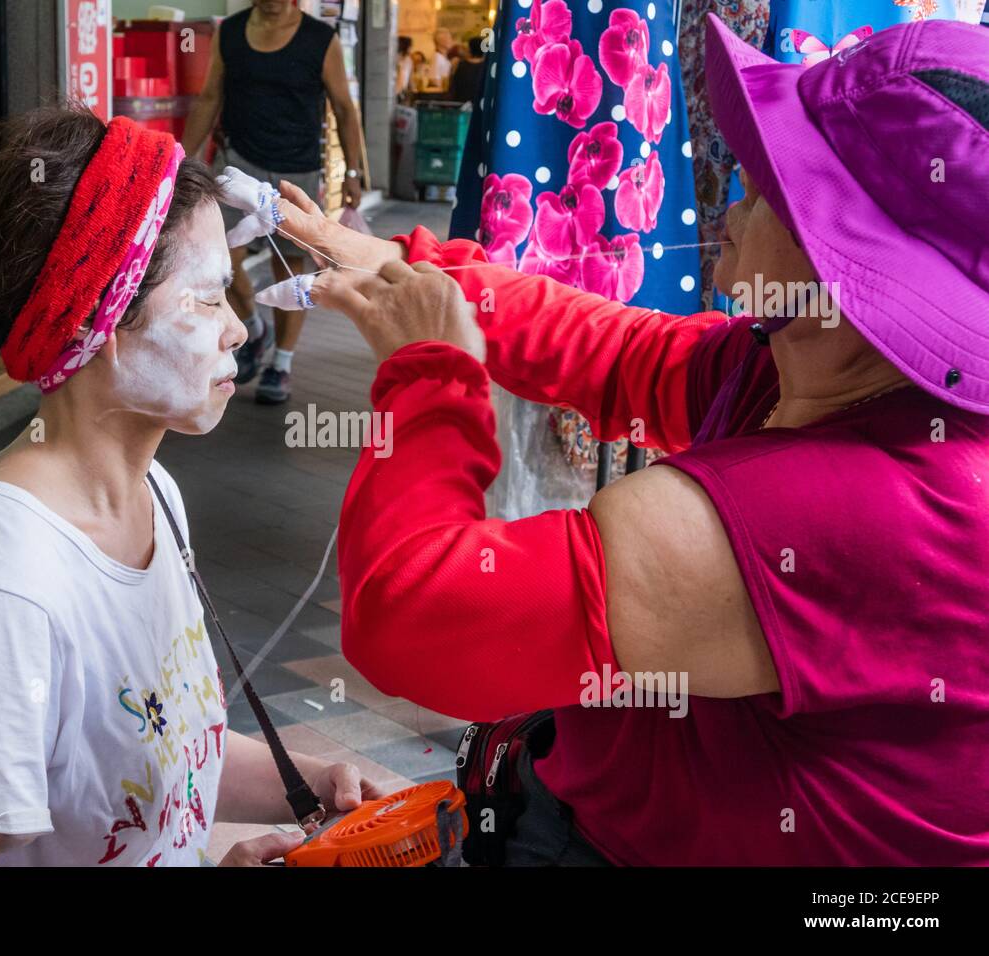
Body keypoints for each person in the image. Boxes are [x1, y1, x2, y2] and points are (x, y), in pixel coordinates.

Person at [269, 16, 989, 865]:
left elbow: (414, 614)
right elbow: (618, 353)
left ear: (843, 270)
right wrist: (413, 266)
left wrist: (431, 373)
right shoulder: (813, 363)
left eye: (764, 190)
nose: (729, 205)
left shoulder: (852, 504)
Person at [0, 107, 382, 866]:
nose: (239, 328)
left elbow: (165, 743)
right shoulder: (3, 599)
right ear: (97, 321)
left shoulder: (154, 496)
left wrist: (316, 785)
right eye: (207, 299)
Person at [182, 0, 365, 405]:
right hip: (237, 162)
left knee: (292, 267)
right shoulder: (230, 32)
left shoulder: (321, 39)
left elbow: (345, 110)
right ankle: (251, 324)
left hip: (295, 170)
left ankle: (280, 364)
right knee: (215, 255)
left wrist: (353, 173)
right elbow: (210, 97)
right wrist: (178, 158)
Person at [446, 35, 487, 107]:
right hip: (479, 106)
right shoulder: (486, 67)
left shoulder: (459, 65)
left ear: (470, 49)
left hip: (459, 106)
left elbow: (452, 87)